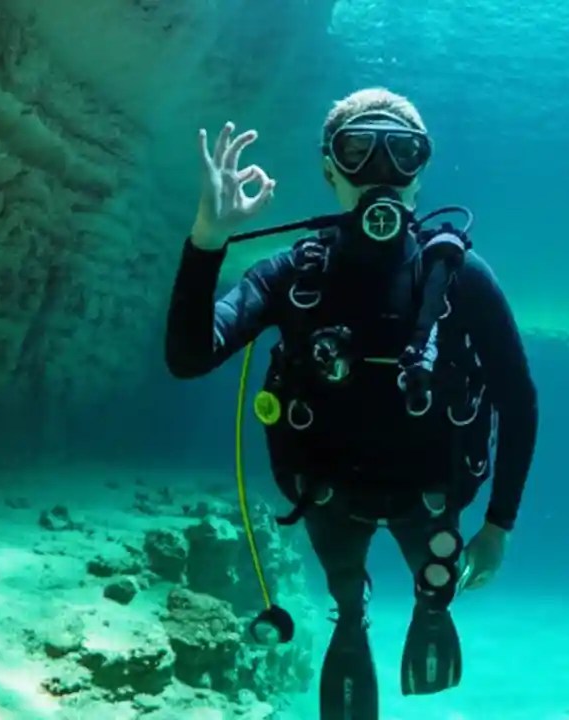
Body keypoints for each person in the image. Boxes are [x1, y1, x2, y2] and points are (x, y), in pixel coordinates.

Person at [164, 87, 538, 720]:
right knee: (346, 593)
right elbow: (190, 356)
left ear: (422, 172)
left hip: (431, 493)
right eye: (359, 152)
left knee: (436, 588)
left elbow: (519, 401)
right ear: (329, 169)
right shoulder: (293, 275)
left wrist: (499, 526)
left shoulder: (462, 279)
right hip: (330, 495)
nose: (381, 176)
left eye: (403, 155)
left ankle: (425, 604)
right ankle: (351, 616)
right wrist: (208, 239)